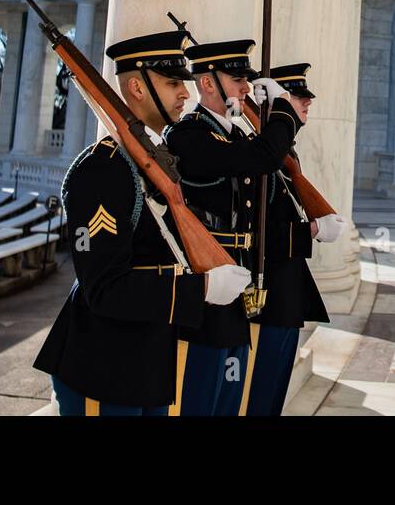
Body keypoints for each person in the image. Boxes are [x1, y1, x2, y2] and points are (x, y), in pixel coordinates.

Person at [33, 30, 250, 415]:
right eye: (172, 83)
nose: (186, 93)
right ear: (136, 86)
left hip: (145, 369)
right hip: (102, 370)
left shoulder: (153, 163)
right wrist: (199, 289)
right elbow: (104, 288)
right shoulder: (104, 168)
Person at [165, 38, 303, 415]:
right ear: (208, 83)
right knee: (204, 394)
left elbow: (278, 159)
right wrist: (282, 109)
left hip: (237, 278)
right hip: (209, 280)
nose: (246, 87)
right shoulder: (188, 135)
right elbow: (263, 157)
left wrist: (277, 119)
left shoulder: (234, 134)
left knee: (228, 396)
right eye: (237, 78)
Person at [241, 62, 344, 415]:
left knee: (272, 394)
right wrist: (311, 231)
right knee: (259, 393)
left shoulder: (287, 153)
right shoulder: (257, 154)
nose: (306, 102)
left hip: (285, 293)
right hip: (267, 296)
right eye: (296, 96)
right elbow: (254, 232)